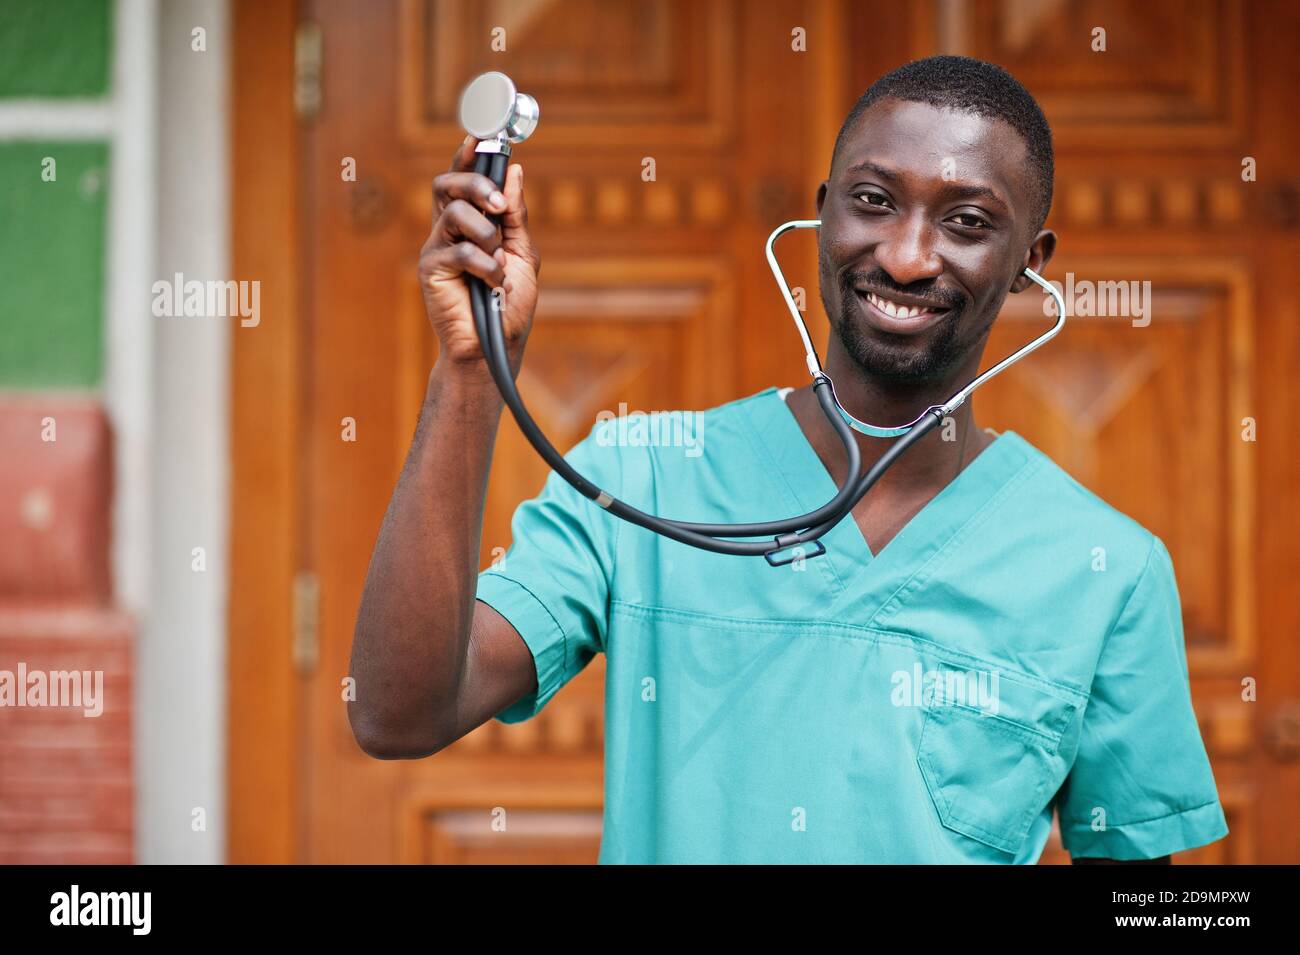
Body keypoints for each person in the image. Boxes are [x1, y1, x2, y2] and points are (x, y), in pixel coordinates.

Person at [348, 55, 1229, 864]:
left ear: (1030, 263)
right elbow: (399, 712)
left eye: (965, 221)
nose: (906, 255)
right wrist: (470, 373)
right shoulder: (643, 477)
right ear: (822, 213)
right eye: (874, 201)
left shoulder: (1103, 567)